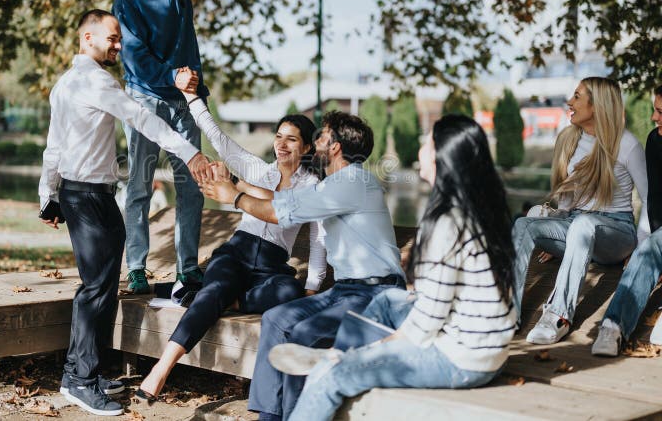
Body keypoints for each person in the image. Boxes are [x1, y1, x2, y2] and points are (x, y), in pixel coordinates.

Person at [270, 114, 517, 421]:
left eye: (428, 143)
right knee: (387, 300)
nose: (420, 150)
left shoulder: (446, 222)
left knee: (333, 376)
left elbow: (427, 323)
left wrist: (373, 352)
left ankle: (337, 361)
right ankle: (337, 356)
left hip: (461, 359)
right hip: (485, 346)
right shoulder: (480, 209)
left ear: (443, 155)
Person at [39, 9, 209, 416]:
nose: (119, 45)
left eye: (119, 40)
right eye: (112, 39)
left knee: (102, 285)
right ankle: (79, 380)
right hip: (88, 197)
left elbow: (53, 147)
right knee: (94, 288)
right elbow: (145, 120)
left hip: (91, 195)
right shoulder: (96, 82)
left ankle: (86, 372)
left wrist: (49, 194)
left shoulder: (66, 84)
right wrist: (190, 151)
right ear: (87, 37)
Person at [201, 111, 405, 421]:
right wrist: (234, 185)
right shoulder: (332, 185)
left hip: (377, 294)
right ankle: (269, 417)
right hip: (346, 291)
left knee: (302, 334)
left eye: (321, 137)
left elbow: (282, 213)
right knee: (275, 319)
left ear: (334, 147)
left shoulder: (352, 181)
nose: (316, 142)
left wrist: (235, 197)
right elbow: (282, 201)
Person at [134, 90, 327, 402]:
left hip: (271, 266)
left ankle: (223, 298)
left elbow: (319, 240)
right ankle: (161, 369)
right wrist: (191, 96)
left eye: (291, 139)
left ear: (305, 147)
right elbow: (217, 137)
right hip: (237, 251)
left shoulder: (313, 188)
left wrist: (313, 286)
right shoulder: (259, 169)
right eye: (278, 136)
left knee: (289, 292)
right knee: (212, 293)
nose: (281, 144)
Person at [512, 77, 650, 345]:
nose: (569, 102)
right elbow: (568, 200)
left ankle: (558, 315)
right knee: (522, 225)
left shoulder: (627, 144)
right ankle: (507, 312)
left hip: (617, 234)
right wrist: (555, 235)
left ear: (597, 105)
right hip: (576, 226)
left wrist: (641, 248)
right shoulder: (571, 139)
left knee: (584, 223)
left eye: (577, 96)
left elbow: (650, 199)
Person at [112, 0, 208, 294]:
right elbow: (133, 56)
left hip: (183, 99)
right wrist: (172, 78)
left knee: (193, 185)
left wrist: (196, 85)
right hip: (144, 101)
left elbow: (189, 42)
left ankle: (189, 268)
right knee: (139, 184)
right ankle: (136, 266)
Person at [591, 85, 662, 355]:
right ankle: (613, 326)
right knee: (650, 247)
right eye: (655, 110)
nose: (655, 118)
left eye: (660, 112)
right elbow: (654, 199)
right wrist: (647, 245)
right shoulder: (655, 141)